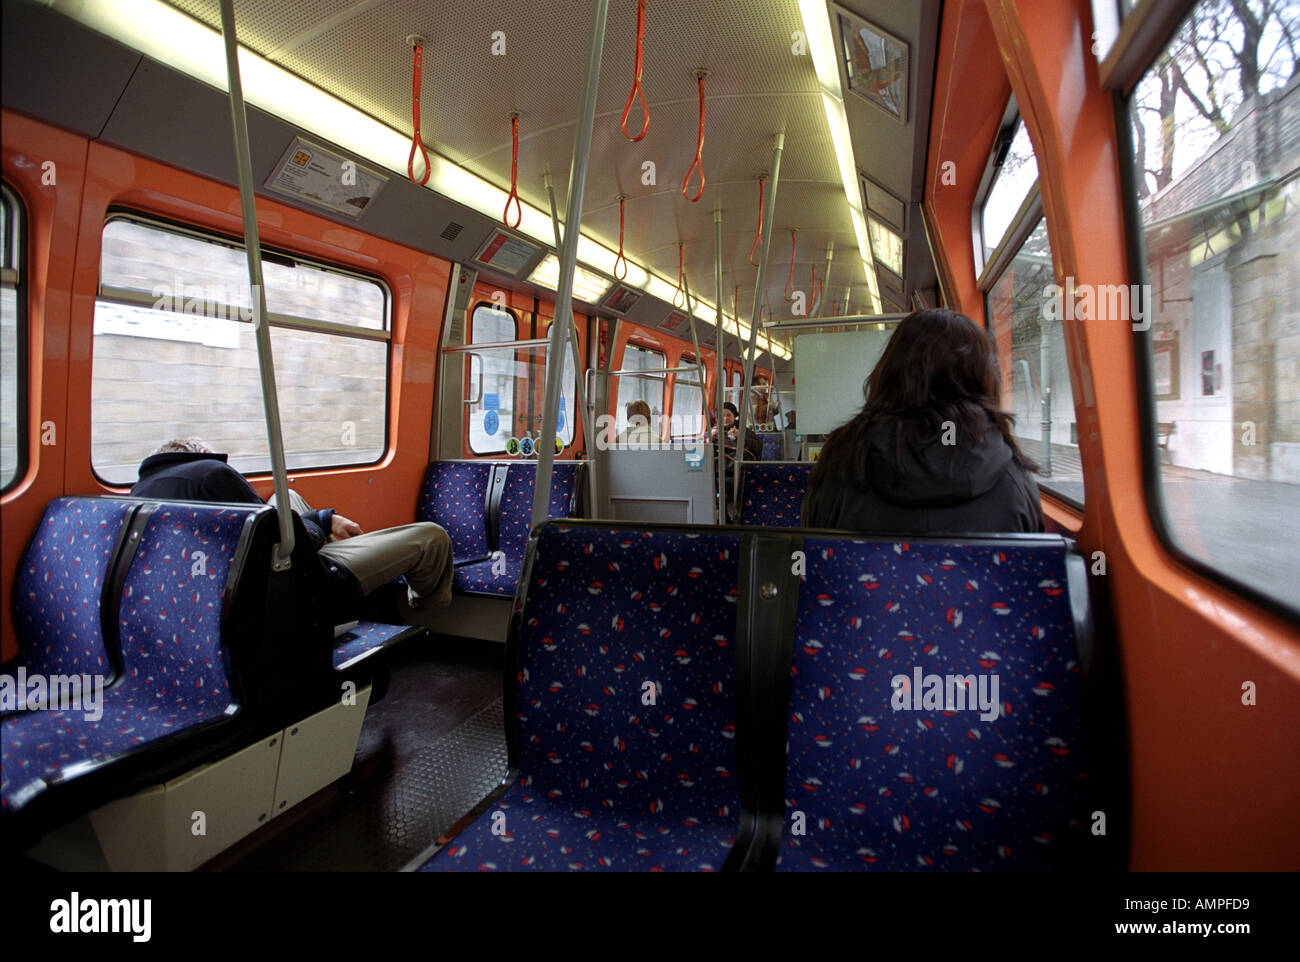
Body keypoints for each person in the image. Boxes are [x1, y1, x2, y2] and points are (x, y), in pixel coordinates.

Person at [131, 438, 454, 622]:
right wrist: (324, 523)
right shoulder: (212, 472)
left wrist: (320, 520)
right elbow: (288, 541)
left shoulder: (141, 490)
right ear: (199, 452)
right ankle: (426, 613)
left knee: (287, 497)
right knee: (430, 535)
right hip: (300, 581)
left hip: (232, 587)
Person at [801, 309, 1043, 534]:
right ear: (983, 379)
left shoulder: (841, 460)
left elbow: (812, 548)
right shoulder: (1014, 480)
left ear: (888, 374)